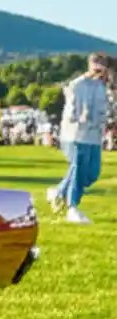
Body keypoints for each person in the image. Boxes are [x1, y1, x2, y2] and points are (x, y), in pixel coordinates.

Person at [47, 53, 110, 224]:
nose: (100, 67)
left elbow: (104, 109)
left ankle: (59, 192)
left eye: (103, 64)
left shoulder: (102, 87)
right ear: (90, 65)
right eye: (97, 64)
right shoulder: (77, 84)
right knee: (78, 166)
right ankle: (72, 206)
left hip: (94, 136)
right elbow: (71, 104)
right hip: (76, 133)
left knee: (91, 174)